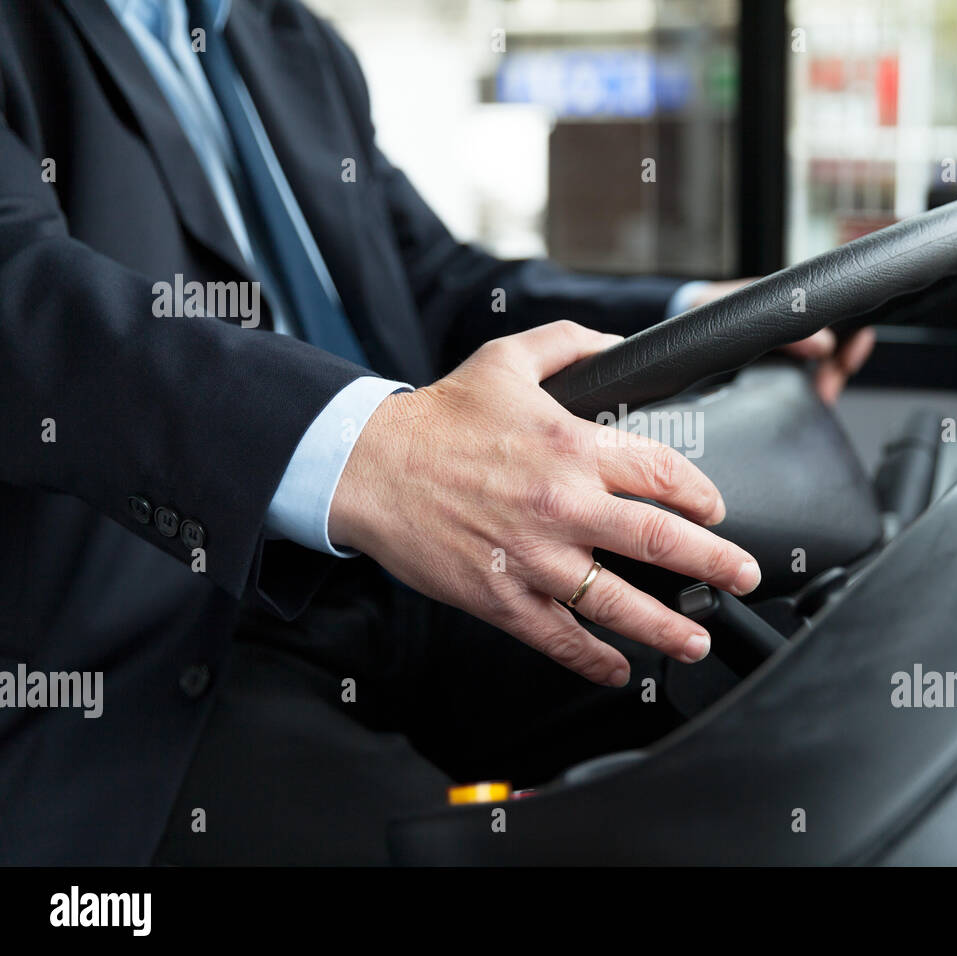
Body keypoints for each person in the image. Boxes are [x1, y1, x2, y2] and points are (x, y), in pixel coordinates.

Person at [0, 0, 874, 864]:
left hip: (406, 571)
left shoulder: (287, 38)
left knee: (806, 697)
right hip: (163, 645)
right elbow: (27, 299)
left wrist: (693, 317)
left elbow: (433, 286)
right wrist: (375, 451)